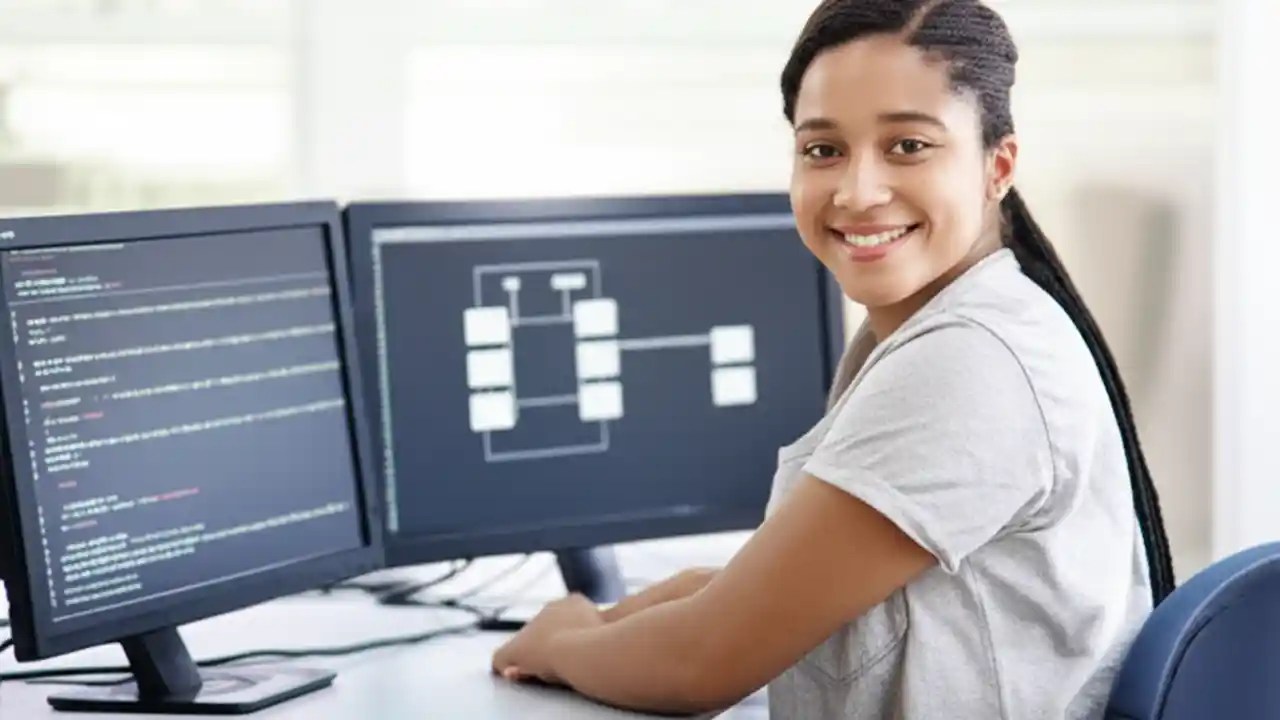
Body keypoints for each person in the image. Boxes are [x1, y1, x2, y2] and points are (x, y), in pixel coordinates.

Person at [491, 0, 1177, 716]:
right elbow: (768, 592)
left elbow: (700, 662)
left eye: (908, 145)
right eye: (824, 150)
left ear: (996, 165)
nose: (857, 191)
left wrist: (557, 644)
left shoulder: (972, 363)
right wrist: (602, 622)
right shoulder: (948, 327)